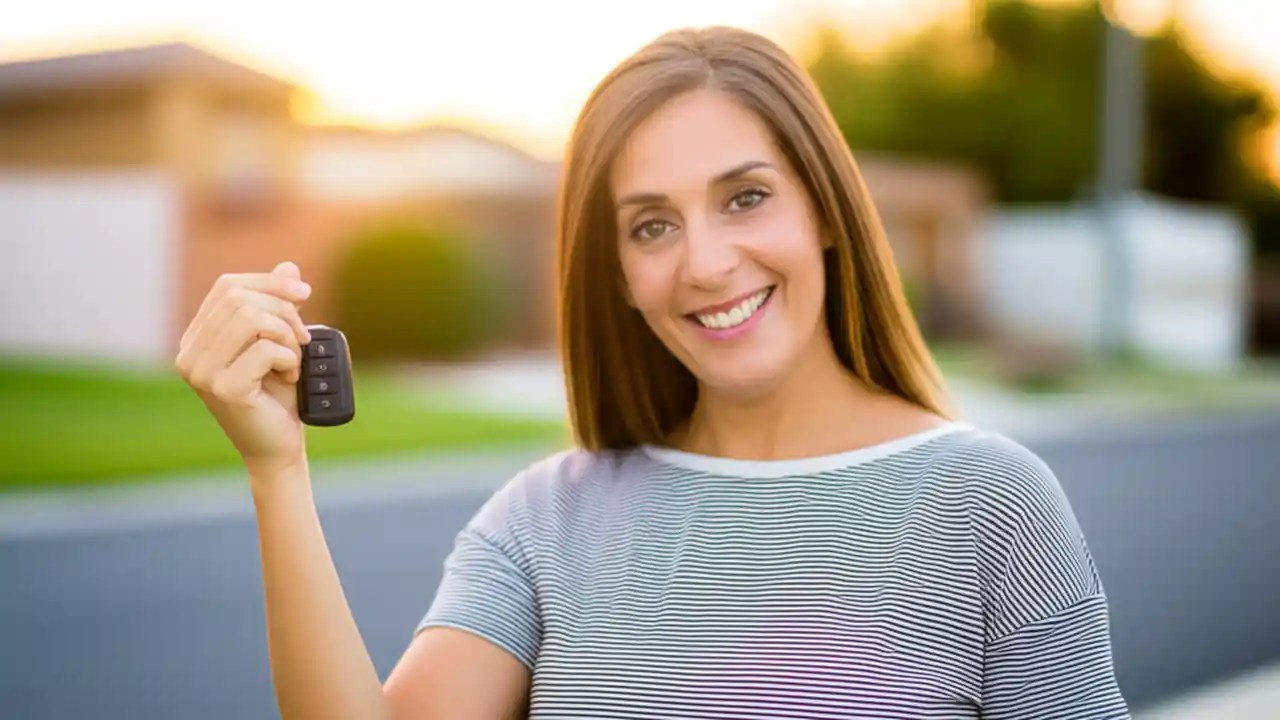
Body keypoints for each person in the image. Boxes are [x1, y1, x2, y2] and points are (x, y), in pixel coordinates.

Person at [175, 24, 1130, 720]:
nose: (706, 262)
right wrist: (278, 471)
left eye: (746, 198)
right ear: (621, 277)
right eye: (652, 225)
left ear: (826, 213)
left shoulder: (992, 504)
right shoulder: (545, 518)